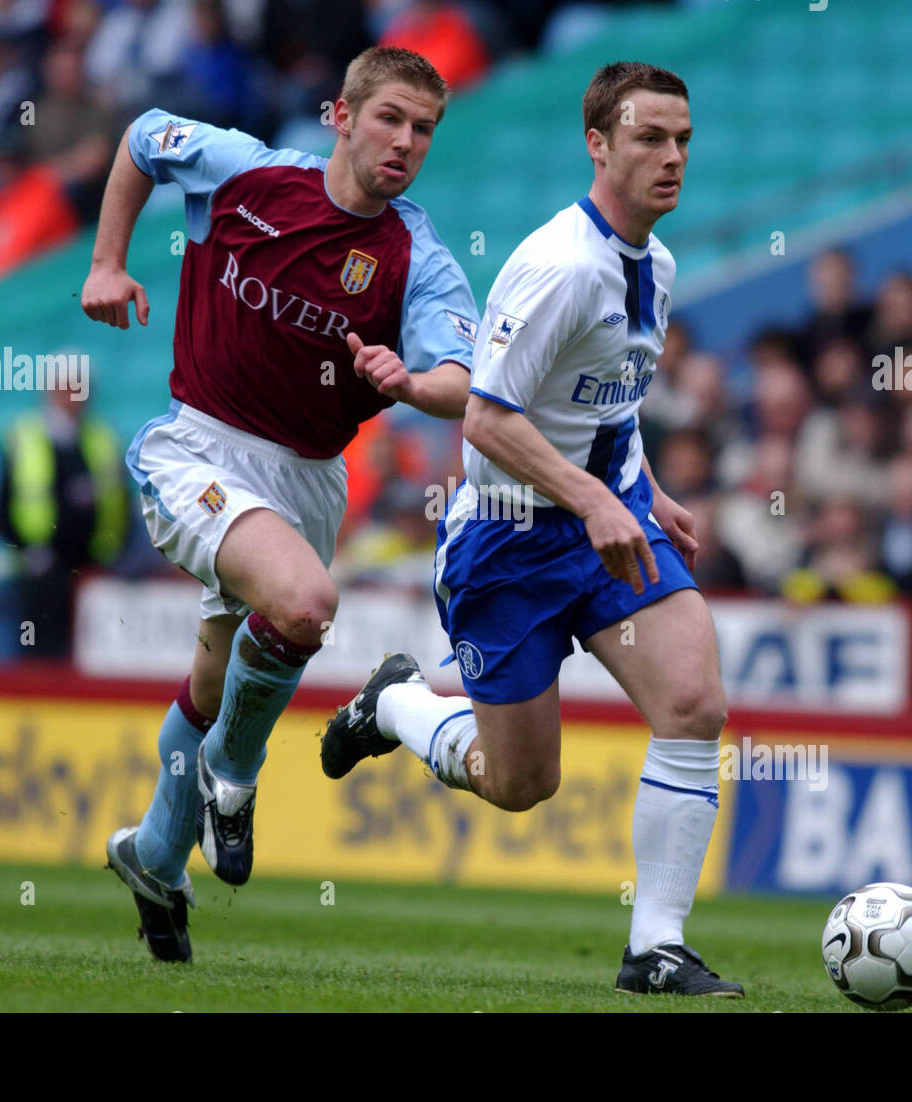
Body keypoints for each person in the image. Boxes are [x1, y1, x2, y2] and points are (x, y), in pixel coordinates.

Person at [321, 61, 744, 998]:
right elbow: (486, 417)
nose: (671, 157)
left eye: (682, 140)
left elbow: (606, 401)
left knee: (693, 702)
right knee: (519, 784)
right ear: (598, 145)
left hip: (606, 525)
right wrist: (594, 500)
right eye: (648, 138)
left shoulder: (656, 265)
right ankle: (395, 704)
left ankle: (656, 949)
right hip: (508, 539)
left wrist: (641, 489)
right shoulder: (559, 264)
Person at [81, 46, 478, 962]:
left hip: (307, 479)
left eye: (423, 130)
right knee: (305, 604)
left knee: (218, 680)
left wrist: (411, 382)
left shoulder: (415, 253)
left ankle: (151, 854)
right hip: (197, 447)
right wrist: (108, 261)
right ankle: (235, 769)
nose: (406, 142)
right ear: (341, 117)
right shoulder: (248, 172)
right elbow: (143, 139)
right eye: (389, 119)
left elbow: (466, 383)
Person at [0, 387, 129, 659]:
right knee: (40, 644)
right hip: (40, 567)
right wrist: (27, 550)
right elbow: (1, 509)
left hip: (93, 562)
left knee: (88, 649)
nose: (72, 396)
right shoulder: (23, 437)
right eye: (65, 388)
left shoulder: (102, 438)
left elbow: (121, 501)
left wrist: (113, 552)